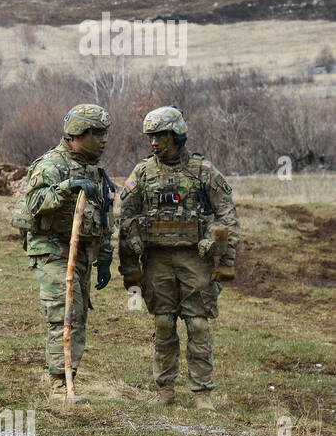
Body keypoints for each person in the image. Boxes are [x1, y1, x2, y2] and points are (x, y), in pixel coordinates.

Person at [118, 106, 239, 410]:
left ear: (176, 135)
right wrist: (130, 269)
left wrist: (227, 259)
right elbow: (126, 218)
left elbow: (227, 215)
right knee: (163, 322)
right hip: (157, 261)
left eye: (160, 136)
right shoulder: (143, 173)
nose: (154, 143)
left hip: (194, 260)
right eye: (151, 137)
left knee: (198, 324)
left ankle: (202, 393)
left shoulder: (203, 172)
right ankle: (165, 390)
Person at [16, 104, 115, 403]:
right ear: (78, 135)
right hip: (52, 250)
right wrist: (67, 187)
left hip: (83, 251)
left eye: (104, 134)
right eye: (97, 134)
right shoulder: (51, 164)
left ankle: (69, 376)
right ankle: (59, 386)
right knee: (64, 312)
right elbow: (34, 203)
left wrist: (106, 255)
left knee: (79, 314)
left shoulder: (95, 171)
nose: (104, 140)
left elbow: (104, 214)